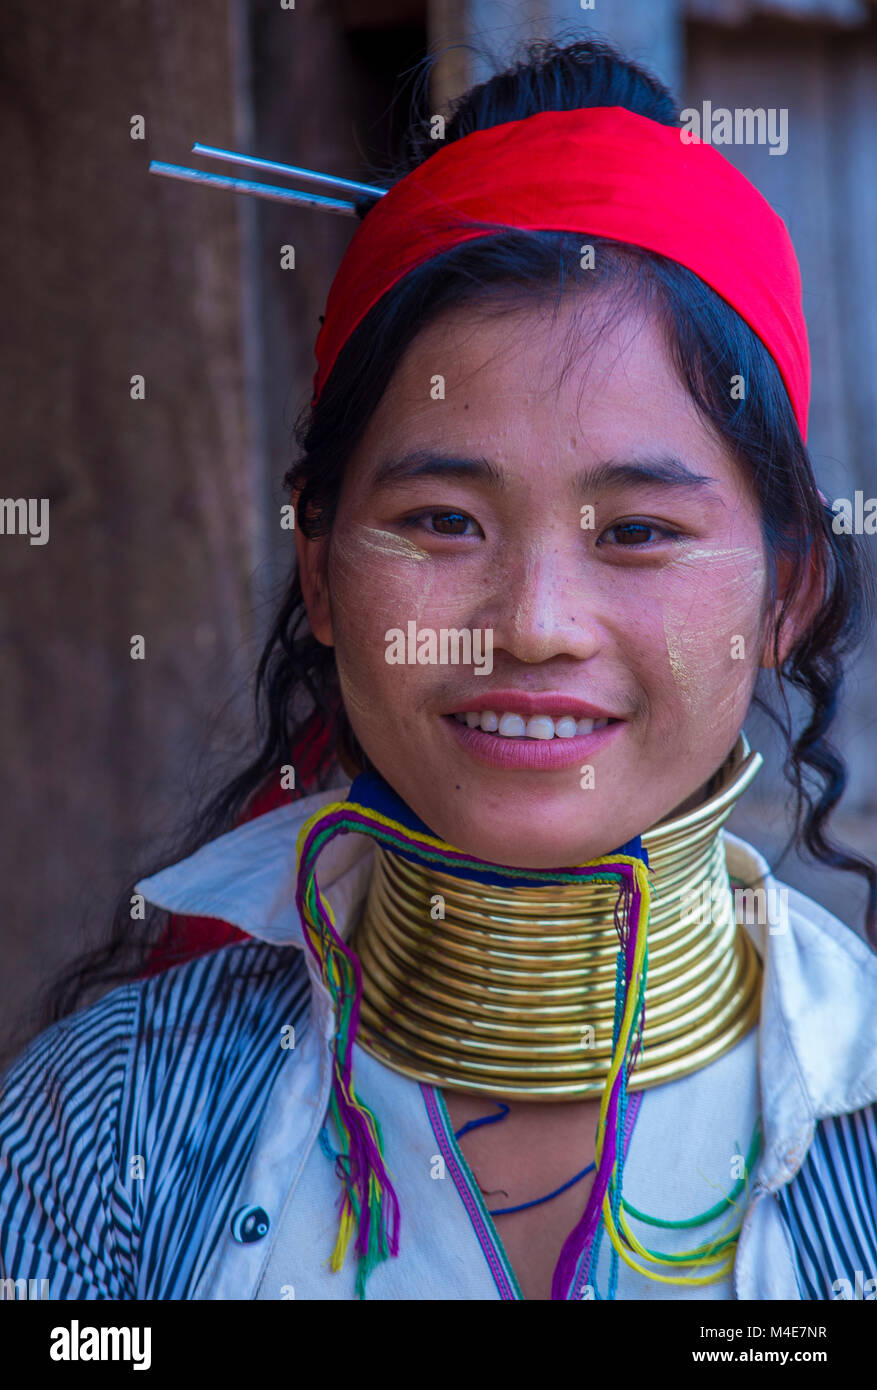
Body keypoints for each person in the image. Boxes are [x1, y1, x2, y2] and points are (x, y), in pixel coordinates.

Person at [2, 36, 876, 1303]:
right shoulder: (96, 1143)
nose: (531, 623)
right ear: (318, 570)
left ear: (784, 592)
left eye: (637, 532)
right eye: (442, 522)